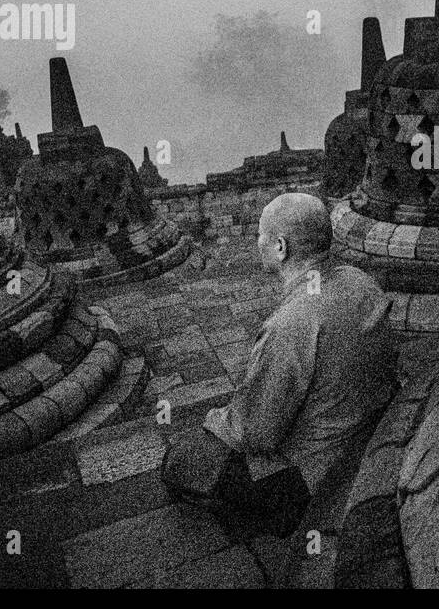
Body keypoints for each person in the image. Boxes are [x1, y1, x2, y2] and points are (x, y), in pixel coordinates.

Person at [162, 192, 396, 539]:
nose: (258, 242)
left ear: (280, 247)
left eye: (261, 235)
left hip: (317, 471)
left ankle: (278, 514)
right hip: (370, 430)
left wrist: (215, 420)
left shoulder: (290, 323)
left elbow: (255, 432)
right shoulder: (361, 282)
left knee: (179, 462)